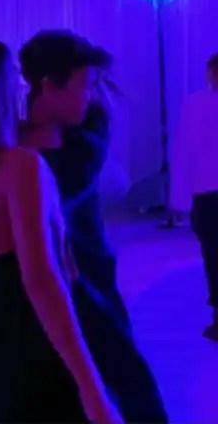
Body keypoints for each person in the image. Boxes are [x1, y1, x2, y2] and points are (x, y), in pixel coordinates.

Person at [0, 40, 120, 424]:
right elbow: (42, 282)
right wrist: (92, 387)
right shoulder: (20, 169)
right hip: (30, 349)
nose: (21, 85)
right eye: (11, 77)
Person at [20, 31, 166, 422]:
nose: (91, 94)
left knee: (120, 368)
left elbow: (63, 186)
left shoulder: (90, 123)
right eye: (85, 85)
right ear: (48, 85)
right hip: (24, 279)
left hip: (86, 268)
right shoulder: (9, 125)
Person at [175, 53, 218, 340]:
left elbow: (184, 150)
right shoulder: (195, 104)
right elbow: (184, 150)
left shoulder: (196, 104)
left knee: (213, 255)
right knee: (212, 254)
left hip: (206, 191)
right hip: (205, 190)